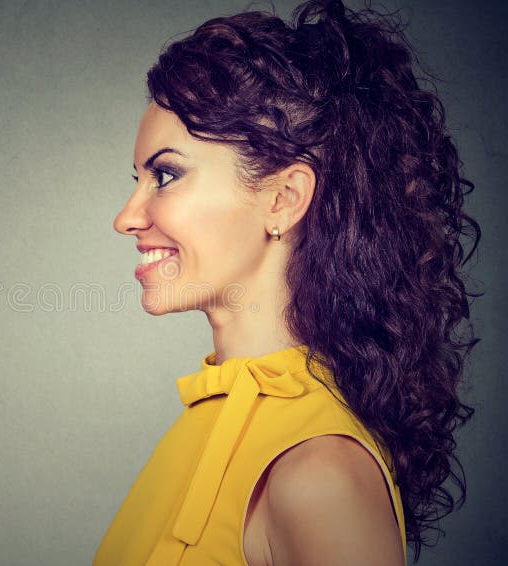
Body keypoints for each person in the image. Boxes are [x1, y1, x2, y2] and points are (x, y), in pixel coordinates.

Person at [93, 0, 481, 564]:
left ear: (284, 198)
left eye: (166, 175)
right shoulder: (210, 417)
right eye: (139, 179)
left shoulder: (320, 472)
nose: (126, 217)